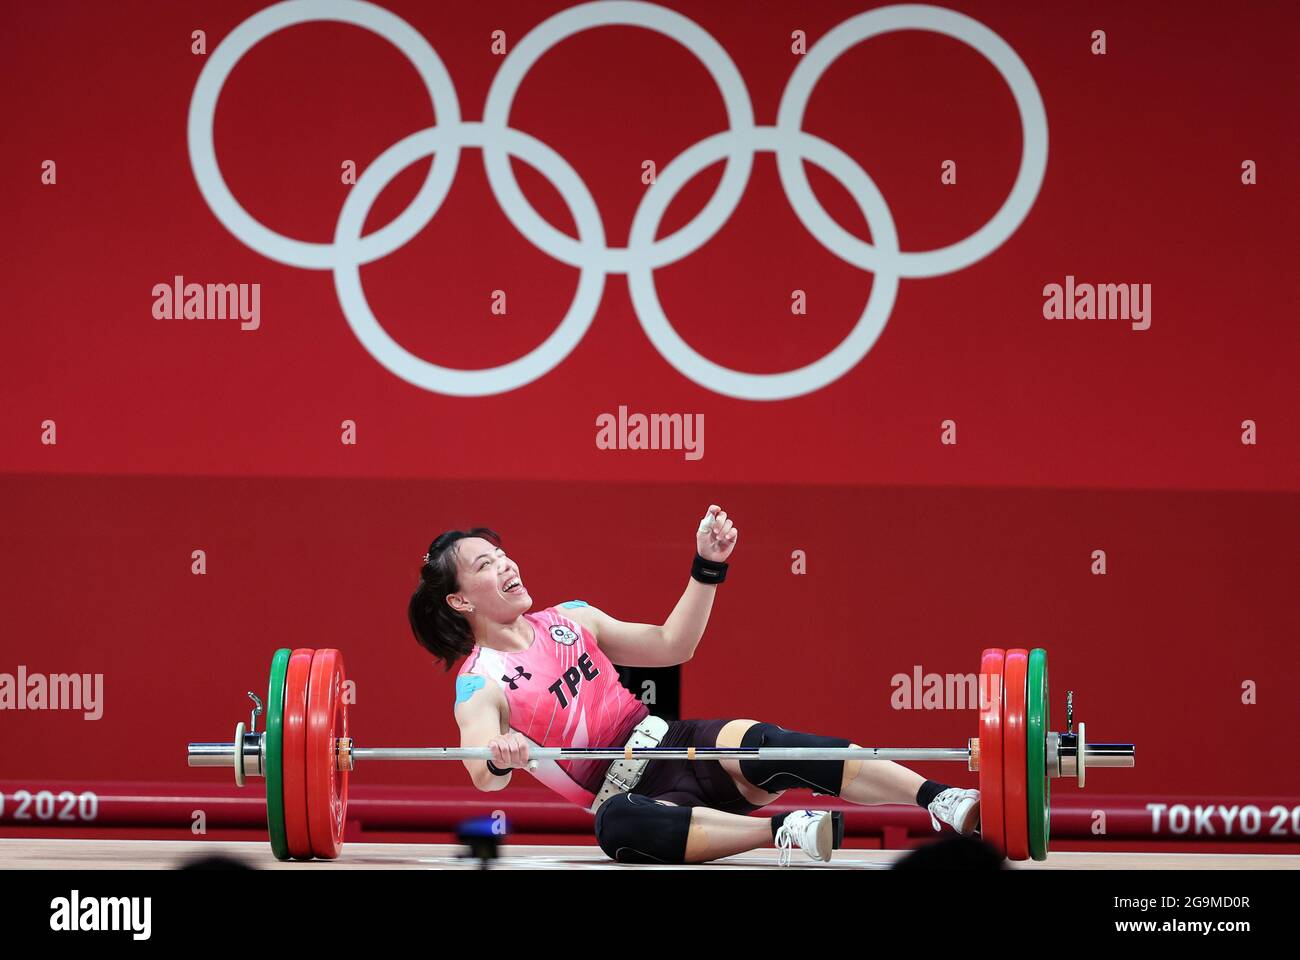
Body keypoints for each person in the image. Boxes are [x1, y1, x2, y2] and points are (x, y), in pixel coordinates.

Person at [408, 506, 980, 866]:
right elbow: (481, 769)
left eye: (502, 554)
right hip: (634, 799)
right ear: (459, 601)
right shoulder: (479, 682)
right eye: (485, 564)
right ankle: (785, 832)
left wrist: (707, 566)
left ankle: (941, 800)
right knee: (614, 826)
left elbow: (670, 646)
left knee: (772, 744)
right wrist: (503, 756)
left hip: (675, 742)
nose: (506, 564)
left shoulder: (573, 619)